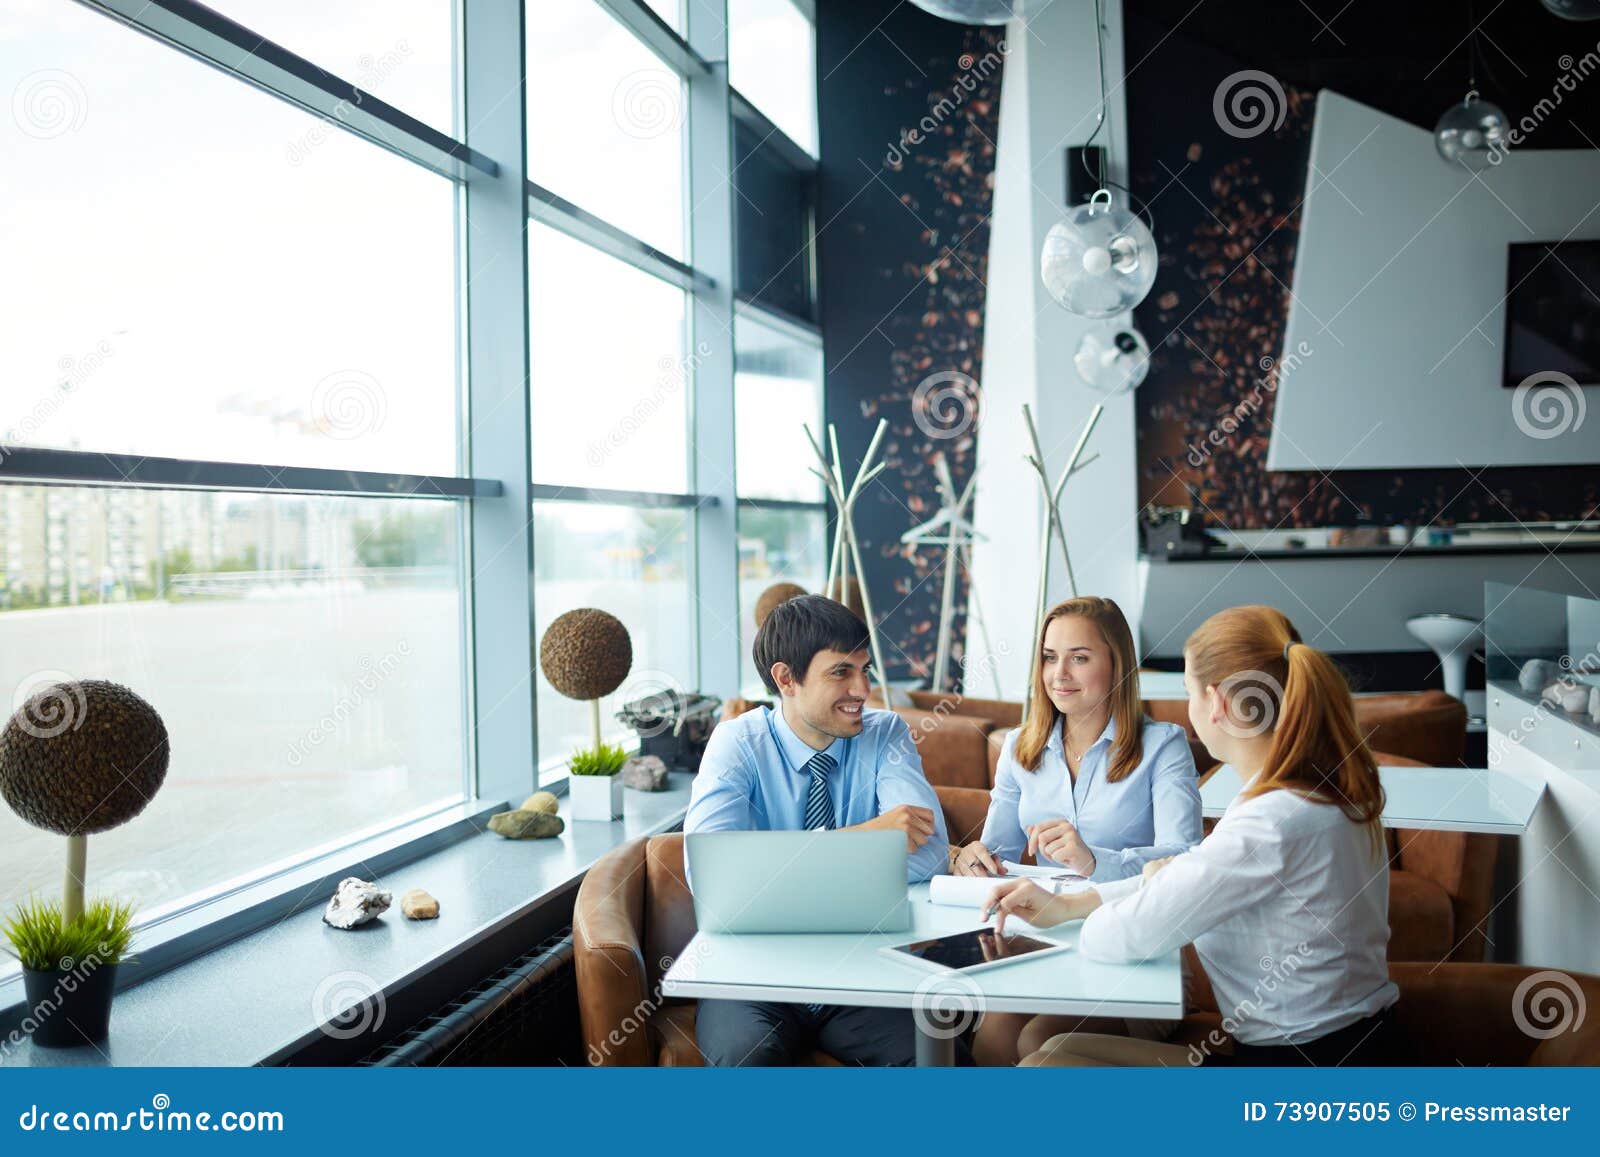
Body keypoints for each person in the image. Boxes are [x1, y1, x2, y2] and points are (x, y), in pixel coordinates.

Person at [983, 605, 1404, 1067]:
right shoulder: (1306, 792)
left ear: (1216, 703)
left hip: (1300, 1066)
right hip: (1352, 1045)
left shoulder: (1267, 823)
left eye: (1187, 692)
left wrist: (1152, 883)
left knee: (1044, 1066)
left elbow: (1117, 936)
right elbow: (1195, 874)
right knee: (1057, 1049)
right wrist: (1071, 905)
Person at [685, 594, 950, 1066]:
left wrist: (772, 872)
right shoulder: (737, 742)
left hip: (863, 974)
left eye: (864, 669)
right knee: (746, 1059)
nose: (863, 689)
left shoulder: (885, 733)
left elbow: (930, 855)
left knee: (936, 1063)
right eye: (841, 672)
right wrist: (869, 837)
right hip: (751, 976)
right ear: (786, 678)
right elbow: (714, 876)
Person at [954, 596, 1202, 1065]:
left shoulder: (1162, 746)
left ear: (1117, 664)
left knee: (1036, 1041)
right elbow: (998, 853)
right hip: (1047, 943)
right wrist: (974, 858)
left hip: (1138, 953)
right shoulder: (1018, 748)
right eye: (1050, 658)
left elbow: (1185, 861)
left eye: (1079, 658)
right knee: (998, 1023)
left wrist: (1095, 861)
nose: (1059, 675)